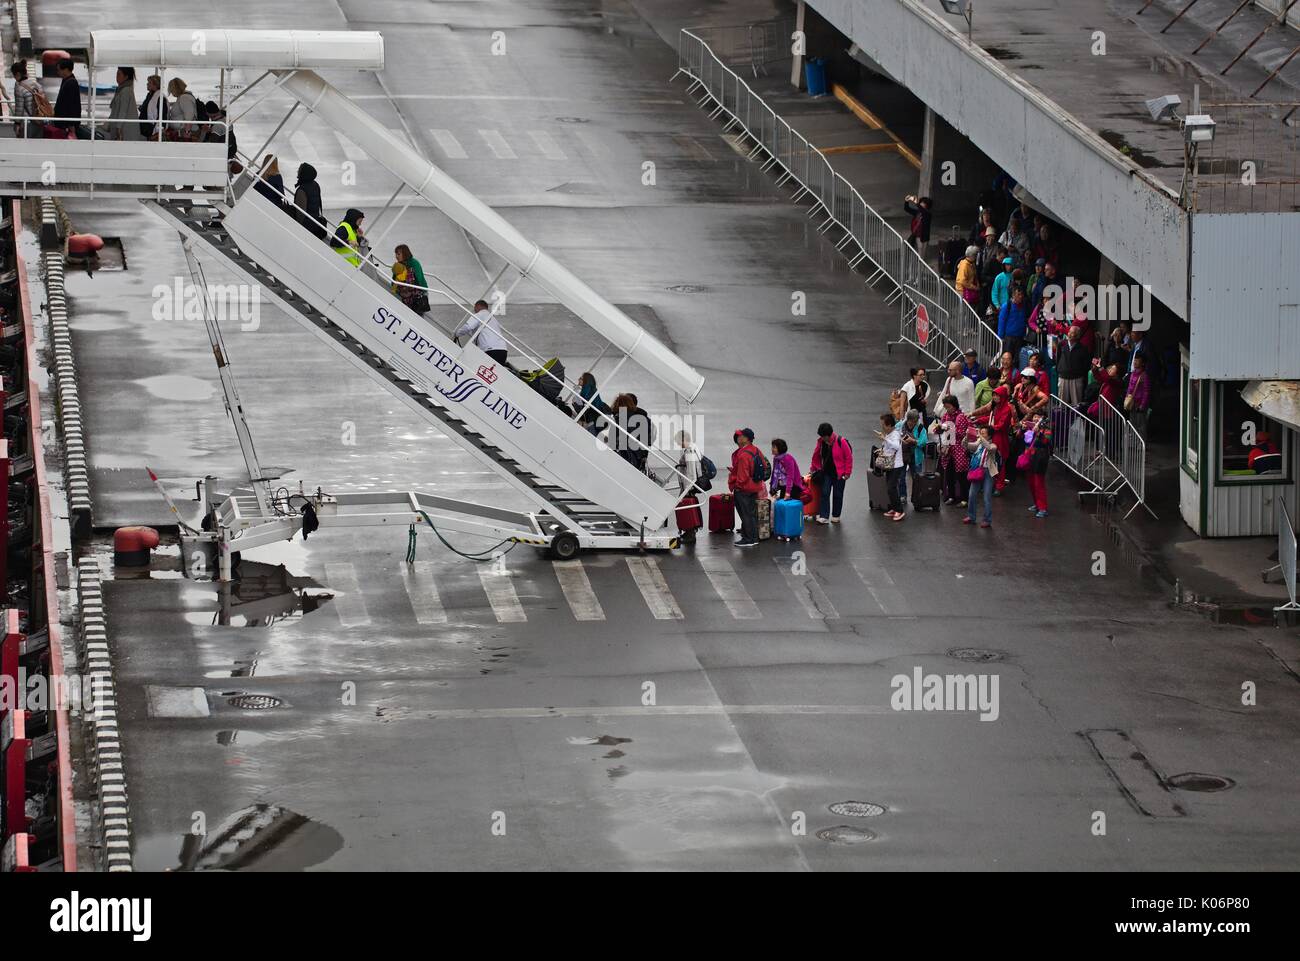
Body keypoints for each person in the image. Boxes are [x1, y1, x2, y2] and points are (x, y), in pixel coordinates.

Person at [971, 384, 1014, 493]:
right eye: (994, 395)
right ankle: (991, 483)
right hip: (992, 435)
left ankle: (999, 485)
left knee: (999, 462)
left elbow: (1002, 425)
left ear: (1003, 396)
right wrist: (978, 420)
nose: (995, 397)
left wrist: (988, 428)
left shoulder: (1007, 409)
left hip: (999, 437)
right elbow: (990, 418)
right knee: (989, 460)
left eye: (997, 395)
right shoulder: (996, 407)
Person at [728, 428, 765, 548]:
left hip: (743, 489)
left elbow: (743, 476)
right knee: (751, 513)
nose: (738, 438)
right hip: (755, 486)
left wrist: (737, 486)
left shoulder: (743, 454)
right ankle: (753, 538)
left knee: (745, 514)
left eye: (740, 436)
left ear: (746, 439)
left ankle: (748, 539)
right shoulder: (756, 450)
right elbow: (764, 465)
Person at [810, 422, 852, 524]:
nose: (822, 438)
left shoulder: (841, 441)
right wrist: (813, 468)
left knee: (838, 494)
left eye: (823, 436)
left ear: (828, 435)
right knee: (824, 493)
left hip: (839, 473)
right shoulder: (821, 442)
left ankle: (836, 515)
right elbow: (816, 456)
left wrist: (847, 472)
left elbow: (848, 457)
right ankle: (824, 516)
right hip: (826, 473)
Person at [935, 395, 972, 506]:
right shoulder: (945, 416)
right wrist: (939, 429)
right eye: (946, 407)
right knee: (949, 474)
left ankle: (964, 499)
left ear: (954, 405)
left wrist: (949, 429)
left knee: (961, 475)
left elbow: (961, 433)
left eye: (949, 407)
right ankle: (951, 496)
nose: (947, 409)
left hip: (959, 449)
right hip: (948, 449)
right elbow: (941, 432)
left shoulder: (961, 417)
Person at [964, 424, 1000, 528]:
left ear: (989, 436)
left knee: (986, 497)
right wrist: (966, 437)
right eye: (980, 432)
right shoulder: (978, 443)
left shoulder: (993, 445)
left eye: (983, 433)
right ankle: (971, 516)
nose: (981, 434)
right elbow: (967, 445)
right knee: (971, 495)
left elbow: (989, 448)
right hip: (977, 471)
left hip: (988, 472)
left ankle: (987, 520)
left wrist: (979, 436)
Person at [1019, 413, 1053, 518]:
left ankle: (1042, 508)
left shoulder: (1046, 428)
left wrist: (1038, 432)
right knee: (1031, 482)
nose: (1035, 418)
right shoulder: (1030, 428)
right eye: (1034, 417)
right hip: (1030, 456)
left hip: (1040, 457)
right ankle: (1037, 504)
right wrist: (1023, 429)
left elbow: (1046, 441)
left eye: (1038, 416)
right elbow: (1020, 438)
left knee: (1039, 483)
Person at [455, 299, 509, 364]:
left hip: (490, 351)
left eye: (474, 307)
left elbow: (467, 327)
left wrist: (457, 334)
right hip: (502, 351)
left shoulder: (480, 315)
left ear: (477, 306)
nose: (474, 310)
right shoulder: (492, 318)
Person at [897, 409, 928, 508]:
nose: (913, 423)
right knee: (901, 477)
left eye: (915, 421)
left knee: (917, 478)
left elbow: (923, 442)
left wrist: (913, 441)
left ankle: (916, 497)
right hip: (902, 455)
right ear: (908, 419)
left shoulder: (920, 428)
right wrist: (901, 440)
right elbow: (894, 436)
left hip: (916, 456)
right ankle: (902, 496)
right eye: (911, 421)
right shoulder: (900, 425)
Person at [878, 413, 906, 522]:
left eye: (883, 425)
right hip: (890, 464)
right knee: (890, 488)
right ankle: (895, 508)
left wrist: (885, 439)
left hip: (896, 465)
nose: (882, 427)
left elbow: (896, 446)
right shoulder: (890, 434)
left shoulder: (895, 434)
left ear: (889, 425)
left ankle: (899, 510)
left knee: (891, 488)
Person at [1055, 324, 1090, 407]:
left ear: (1077, 336)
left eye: (1072, 333)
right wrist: (1059, 369)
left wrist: (1080, 374)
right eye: (1069, 332)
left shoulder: (1083, 348)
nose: (1069, 334)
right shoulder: (1062, 344)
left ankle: (1076, 419)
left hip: (1076, 378)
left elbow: (1086, 364)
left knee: (1076, 403)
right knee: (1062, 403)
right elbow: (1058, 358)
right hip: (1063, 376)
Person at [105, 67, 142, 142]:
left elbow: (123, 111)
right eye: (116, 74)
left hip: (125, 130)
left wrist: (118, 128)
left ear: (126, 77)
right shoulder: (122, 89)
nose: (116, 77)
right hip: (121, 127)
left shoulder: (126, 90)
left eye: (119, 74)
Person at [10, 62, 44, 138]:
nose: (14, 78)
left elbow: (19, 108)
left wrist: (17, 124)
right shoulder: (37, 85)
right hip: (39, 120)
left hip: (27, 122)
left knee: (24, 147)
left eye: (14, 75)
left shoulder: (19, 88)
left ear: (18, 74)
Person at [293, 163, 327, 239]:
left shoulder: (302, 190)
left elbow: (301, 213)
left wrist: (297, 228)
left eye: (299, 170)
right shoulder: (315, 185)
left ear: (304, 173)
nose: (297, 171)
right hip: (315, 223)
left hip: (307, 227)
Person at [392, 244, 429, 314]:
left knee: (417, 315)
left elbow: (419, 281)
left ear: (405, 254)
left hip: (419, 293)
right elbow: (394, 281)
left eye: (398, 254)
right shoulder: (398, 265)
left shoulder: (414, 263)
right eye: (396, 254)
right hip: (406, 294)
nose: (396, 256)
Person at [997, 286, 1030, 363]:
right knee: (1007, 358)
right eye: (1018, 294)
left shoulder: (1024, 306)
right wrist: (1001, 336)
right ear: (1013, 295)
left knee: (1017, 359)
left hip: (1020, 337)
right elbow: (1002, 321)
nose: (1020, 296)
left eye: (1021, 294)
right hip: (1009, 337)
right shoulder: (1007, 306)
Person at [1125, 352, 1152, 438]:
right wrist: (1127, 397)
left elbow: (1146, 391)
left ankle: (1141, 445)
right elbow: (1129, 387)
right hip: (1132, 402)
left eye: (1137, 360)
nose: (1135, 362)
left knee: (1141, 425)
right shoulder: (1133, 373)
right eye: (1134, 360)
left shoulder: (1144, 376)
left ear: (1143, 363)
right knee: (1133, 424)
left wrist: (1142, 405)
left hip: (1139, 404)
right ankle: (1134, 443)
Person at [52, 58, 81, 138]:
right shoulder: (66, 81)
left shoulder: (71, 83)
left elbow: (72, 105)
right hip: (62, 122)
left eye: (59, 70)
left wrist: (71, 124)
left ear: (66, 69)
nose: (58, 72)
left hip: (66, 125)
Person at [904, 194, 932, 263]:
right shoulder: (918, 212)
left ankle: (921, 267)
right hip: (915, 235)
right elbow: (907, 209)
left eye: (923, 203)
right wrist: (906, 201)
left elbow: (923, 212)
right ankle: (916, 265)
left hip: (922, 237)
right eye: (921, 203)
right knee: (914, 251)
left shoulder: (927, 214)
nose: (921, 204)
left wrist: (916, 203)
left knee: (921, 254)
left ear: (927, 206)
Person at [140, 74, 166, 140]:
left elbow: (163, 115)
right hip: (145, 127)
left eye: (149, 82)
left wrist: (157, 132)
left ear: (155, 85)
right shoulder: (150, 95)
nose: (147, 84)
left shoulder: (160, 97)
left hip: (152, 129)